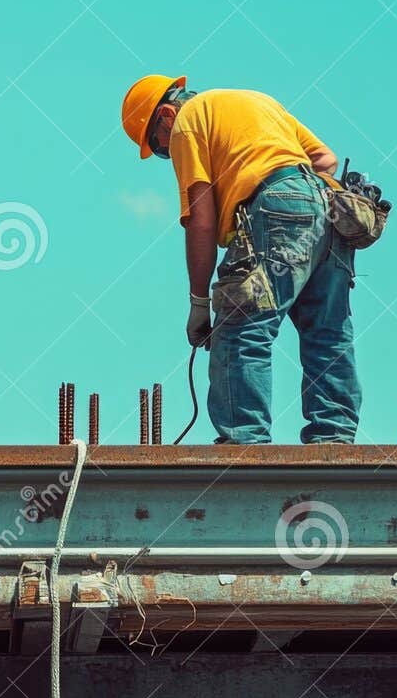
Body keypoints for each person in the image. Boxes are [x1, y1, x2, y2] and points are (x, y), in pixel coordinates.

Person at [121, 74, 360, 443]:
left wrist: (199, 304)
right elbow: (324, 159)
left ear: (166, 115)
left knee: (240, 327)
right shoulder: (256, 100)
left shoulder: (187, 123)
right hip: (330, 210)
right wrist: (304, 206)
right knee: (326, 331)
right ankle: (335, 442)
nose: (167, 154)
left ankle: (245, 446)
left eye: (160, 147)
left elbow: (200, 219)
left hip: (277, 209)